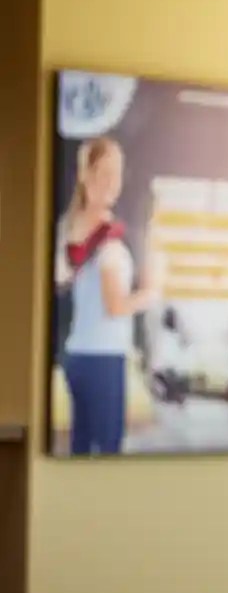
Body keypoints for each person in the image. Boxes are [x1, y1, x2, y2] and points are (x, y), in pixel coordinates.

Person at [54, 136, 159, 455]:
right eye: (104, 173)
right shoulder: (104, 234)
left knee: (82, 450)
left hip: (79, 355)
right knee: (108, 452)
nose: (112, 183)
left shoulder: (70, 228)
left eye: (118, 173)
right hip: (103, 357)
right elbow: (115, 305)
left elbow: (63, 280)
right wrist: (150, 294)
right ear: (85, 175)